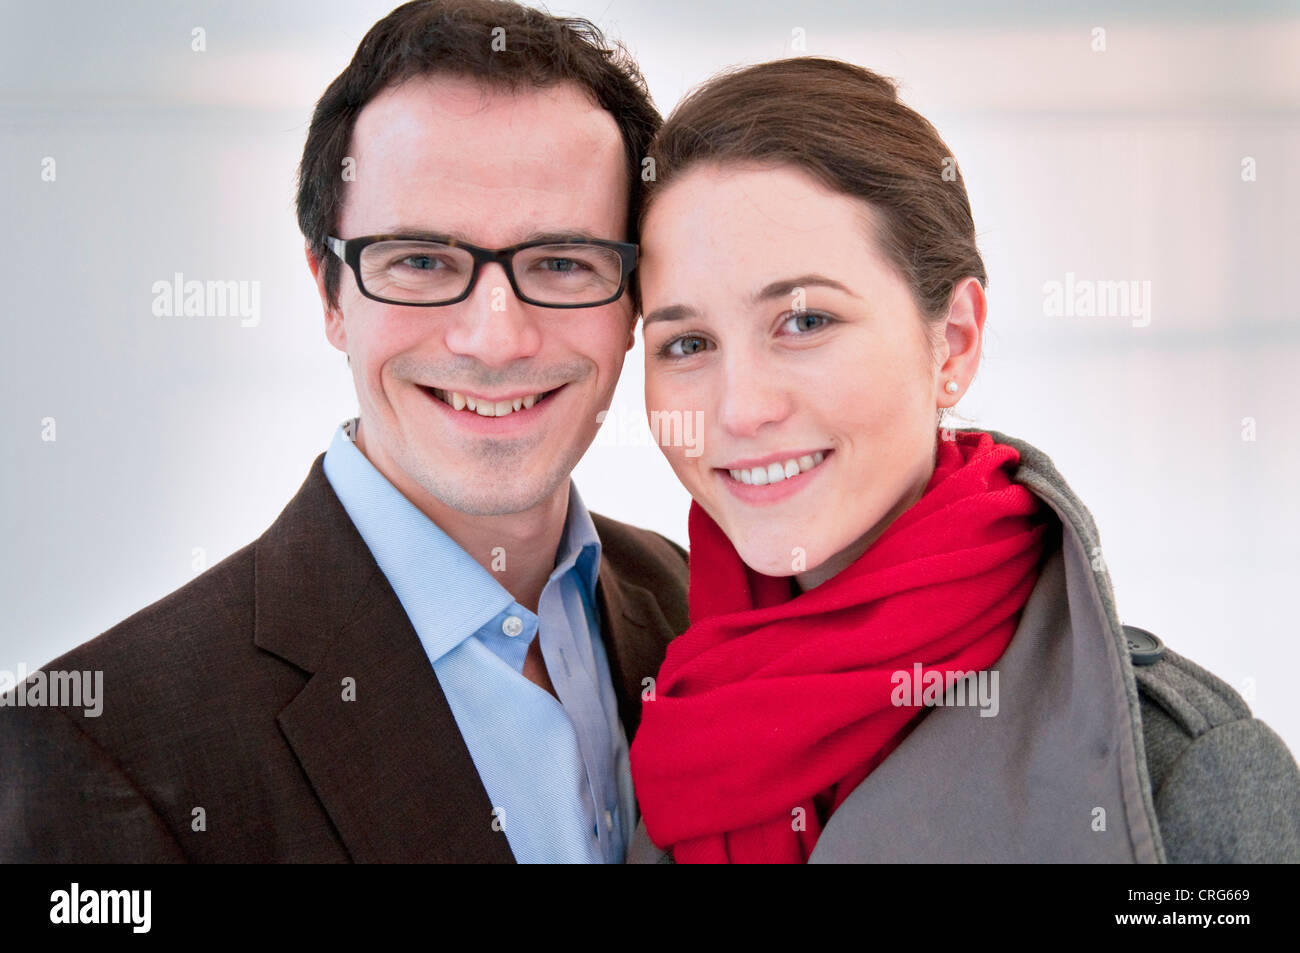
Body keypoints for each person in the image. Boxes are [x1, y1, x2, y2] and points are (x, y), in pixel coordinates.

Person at [0, 0, 686, 863]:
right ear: (331, 292)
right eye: (423, 262)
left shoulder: (698, 611)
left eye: (560, 262)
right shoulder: (95, 751)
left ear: (633, 297)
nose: (496, 338)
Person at [627, 56, 1300, 863]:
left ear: (953, 340)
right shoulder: (661, 702)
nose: (740, 408)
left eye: (804, 322)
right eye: (688, 342)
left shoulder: (1182, 769)